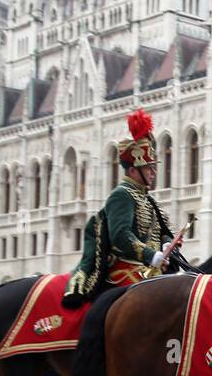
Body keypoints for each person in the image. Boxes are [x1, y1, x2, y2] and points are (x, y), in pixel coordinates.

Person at [62, 108, 181, 309]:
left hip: (150, 269)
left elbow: (162, 232)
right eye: (148, 168)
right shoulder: (121, 195)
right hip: (125, 270)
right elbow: (120, 235)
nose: (153, 172)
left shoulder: (148, 200)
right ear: (133, 170)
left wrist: (166, 246)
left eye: (153, 167)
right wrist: (151, 255)